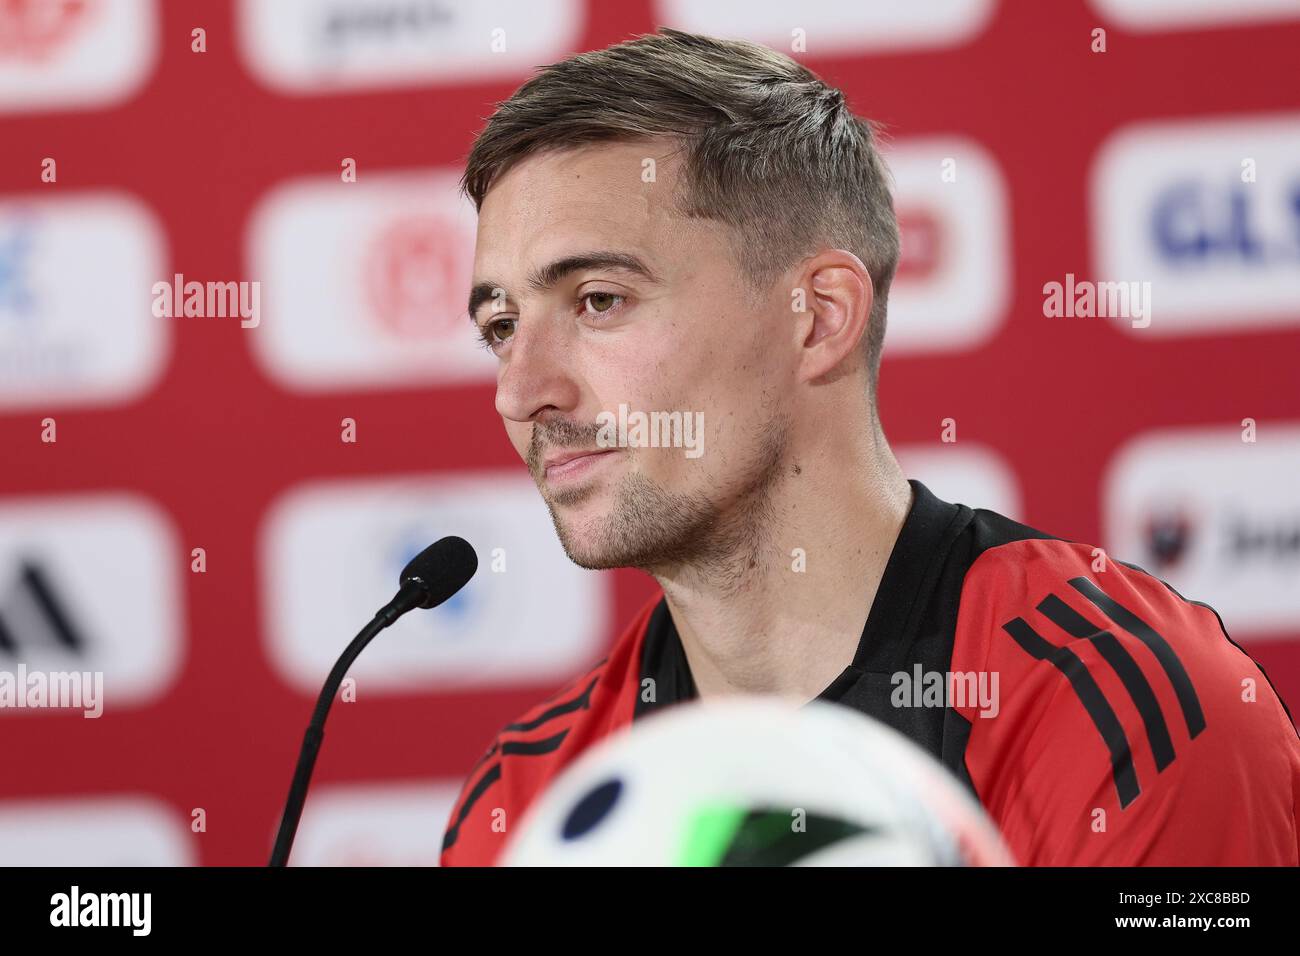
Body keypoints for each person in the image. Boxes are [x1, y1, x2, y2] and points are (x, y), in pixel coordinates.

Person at [442, 28, 1299, 866]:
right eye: (503, 326)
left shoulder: (1120, 710)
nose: (520, 393)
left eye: (598, 301)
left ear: (818, 317)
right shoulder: (527, 802)